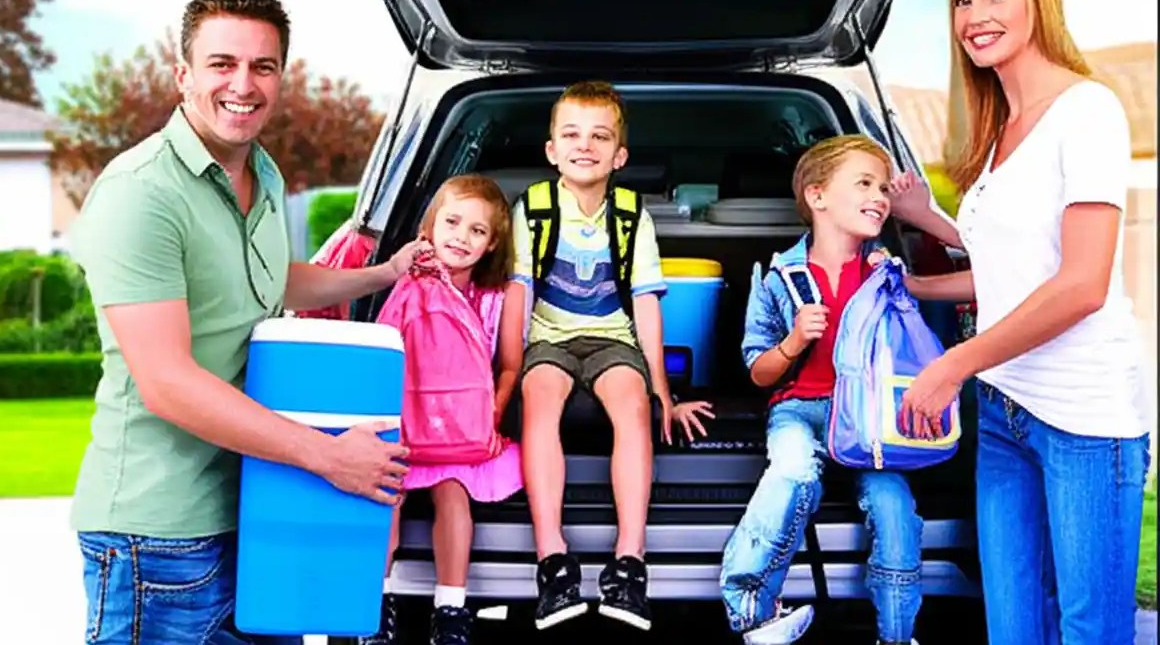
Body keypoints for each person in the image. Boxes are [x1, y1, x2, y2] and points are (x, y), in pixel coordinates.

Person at [69, 0, 427, 644]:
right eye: (222, 64)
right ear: (183, 75)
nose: (244, 84)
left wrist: (384, 271)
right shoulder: (140, 194)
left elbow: (265, 282)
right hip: (160, 536)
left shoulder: (259, 174)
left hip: (256, 511)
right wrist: (326, 457)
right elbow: (167, 383)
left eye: (263, 66)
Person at [887, 0, 1150, 644]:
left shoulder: (1086, 111)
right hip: (1005, 409)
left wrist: (952, 363)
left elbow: (1080, 284)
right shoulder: (1002, 125)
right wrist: (910, 267)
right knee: (1011, 629)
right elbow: (1008, 268)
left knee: (1089, 629)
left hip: (1084, 421)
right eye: (962, 0)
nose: (975, 14)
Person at [496, 80, 714, 632]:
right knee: (540, 401)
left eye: (599, 136)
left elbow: (645, 302)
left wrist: (663, 390)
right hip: (548, 338)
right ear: (551, 150)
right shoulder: (535, 208)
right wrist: (509, 372)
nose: (584, 145)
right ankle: (553, 560)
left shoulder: (630, 212)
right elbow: (518, 291)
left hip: (614, 339)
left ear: (619, 155)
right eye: (571, 134)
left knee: (632, 405)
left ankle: (629, 564)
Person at [720, 135, 923, 645]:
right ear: (817, 196)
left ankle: (897, 634)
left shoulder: (888, 275)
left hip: (869, 419)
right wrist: (793, 342)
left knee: (894, 506)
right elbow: (758, 372)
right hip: (799, 411)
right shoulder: (778, 277)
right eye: (863, 183)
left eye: (883, 187)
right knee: (791, 472)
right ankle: (752, 610)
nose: (879, 196)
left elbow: (915, 348)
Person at [364, 175, 525, 645]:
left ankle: (451, 608)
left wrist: (490, 418)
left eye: (477, 231)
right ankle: (378, 598)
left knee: (453, 496)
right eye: (452, 222)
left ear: (492, 242)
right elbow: (384, 355)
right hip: (408, 429)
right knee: (385, 498)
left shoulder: (496, 299)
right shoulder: (408, 286)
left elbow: (509, 368)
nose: (461, 237)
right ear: (429, 227)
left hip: (463, 436)